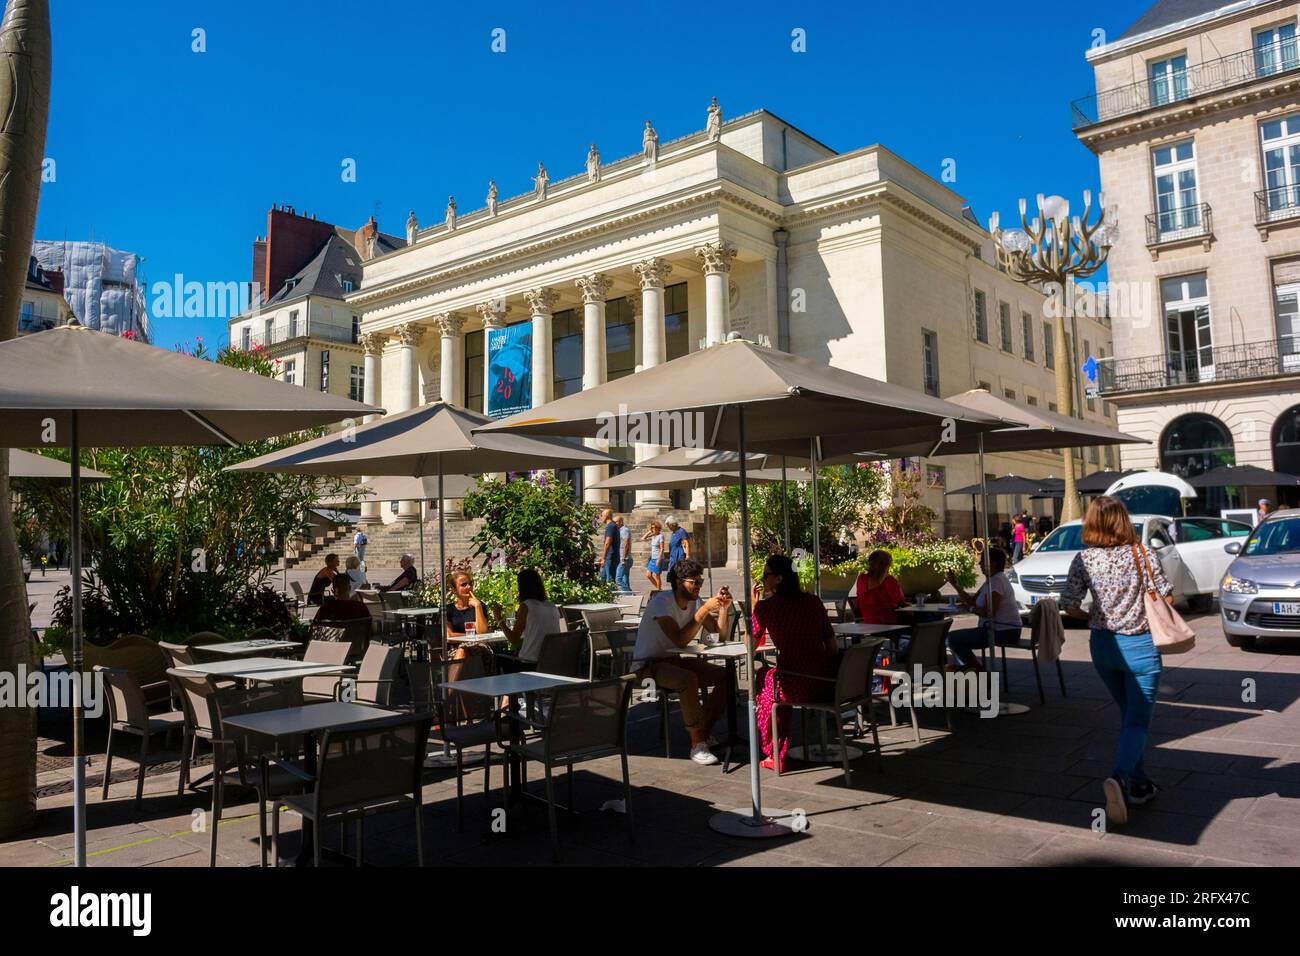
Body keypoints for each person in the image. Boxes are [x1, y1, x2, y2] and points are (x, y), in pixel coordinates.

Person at [1060, 495, 1173, 826]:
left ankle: (1139, 785)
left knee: (1129, 716)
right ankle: (1120, 778)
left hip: (1102, 646)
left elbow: (1069, 604)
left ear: (1091, 522)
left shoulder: (1084, 559)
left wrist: (1096, 616)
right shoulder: (1142, 553)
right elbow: (1165, 594)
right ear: (1123, 520)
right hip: (1139, 645)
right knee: (1138, 721)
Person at [632, 558, 732, 765]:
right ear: (679, 582)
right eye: (694, 582)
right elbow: (679, 639)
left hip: (673, 661)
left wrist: (724, 609)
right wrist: (704, 611)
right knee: (687, 679)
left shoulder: (695, 602)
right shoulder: (661, 603)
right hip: (647, 666)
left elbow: (720, 636)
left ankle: (703, 732)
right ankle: (697, 744)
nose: (698, 586)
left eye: (700, 581)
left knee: (726, 675)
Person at [750, 554, 839, 770]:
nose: (762, 578)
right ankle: (777, 749)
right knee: (774, 678)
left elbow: (749, 646)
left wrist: (754, 607)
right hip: (825, 682)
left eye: (766, 574)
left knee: (764, 678)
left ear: (779, 579)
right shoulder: (814, 602)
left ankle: (775, 752)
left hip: (795, 682)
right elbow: (832, 646)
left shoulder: (766, 607)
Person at [946, 547, 1022, 669]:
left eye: (982, 561)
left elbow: (989, 613)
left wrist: (970, 609)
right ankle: (974, 668)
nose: (980, 564)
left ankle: (977, 670)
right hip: (998, 629)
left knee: (951, 638)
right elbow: (972, 601)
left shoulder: (996, 581)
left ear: (993, 563)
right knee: (954, 638)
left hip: (1003, 631)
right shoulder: (991, 580)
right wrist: (955, 585)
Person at [497, 568, 563, 669]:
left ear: (522, 587)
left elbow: (513, 639)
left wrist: (499, 618)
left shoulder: (526, 606)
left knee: (497, 655)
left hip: (530, 664)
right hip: (552, 662)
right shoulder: (551, 606)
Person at [854, 549, 906, 625]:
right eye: (881, 562)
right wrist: (884, 568)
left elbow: (901, 602)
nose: (885, 565)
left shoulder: (891, 580)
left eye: (887, 563)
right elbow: (876, 582)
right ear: (871, 564)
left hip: (896, 619)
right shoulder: (863, 579)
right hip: (875, 623)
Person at [445, 570, 490, 638]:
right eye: (464, 585)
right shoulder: (448, 609)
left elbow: (482, 633)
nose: (469, 587)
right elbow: (449, 636)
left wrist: (478, 606)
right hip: (457, 647)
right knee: (462, 649)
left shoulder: (480, 605)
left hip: (478, 646)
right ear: (454, 590)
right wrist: (472, 636)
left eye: (470, 583)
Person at [598, 509, 618, 583]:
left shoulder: (610, 526)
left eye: (602, 515)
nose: (601, 517)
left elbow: (607, 543)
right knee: (602, 579)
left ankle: (613, 594)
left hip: (610, 557)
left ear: (606, 516)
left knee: (610, 580)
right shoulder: (613, 525)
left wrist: (603, 558)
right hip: (610, 557)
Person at [643, 521, 665, 590]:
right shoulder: (653, 536)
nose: (654, 529)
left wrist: (659, 559)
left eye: (656, 527)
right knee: (648, 575)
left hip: (658, 558)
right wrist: (650, 531)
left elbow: (662, 549)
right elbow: (643, 538)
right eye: (652, 527)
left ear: (659, 528)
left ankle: (658, 590)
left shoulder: (660, 536)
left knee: (657, 576)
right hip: (652, 558)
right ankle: (659, 589)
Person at [615, 515, 633, 593]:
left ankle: (629, 594)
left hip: (624, 559)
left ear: (621, 521)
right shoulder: (620, 530)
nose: (615, 524)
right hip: (626, 558)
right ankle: (629, 595)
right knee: (625, 579)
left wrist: (623, 558)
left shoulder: (624, 530)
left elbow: (626, 544)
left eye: (616, 522)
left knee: (618, 579)